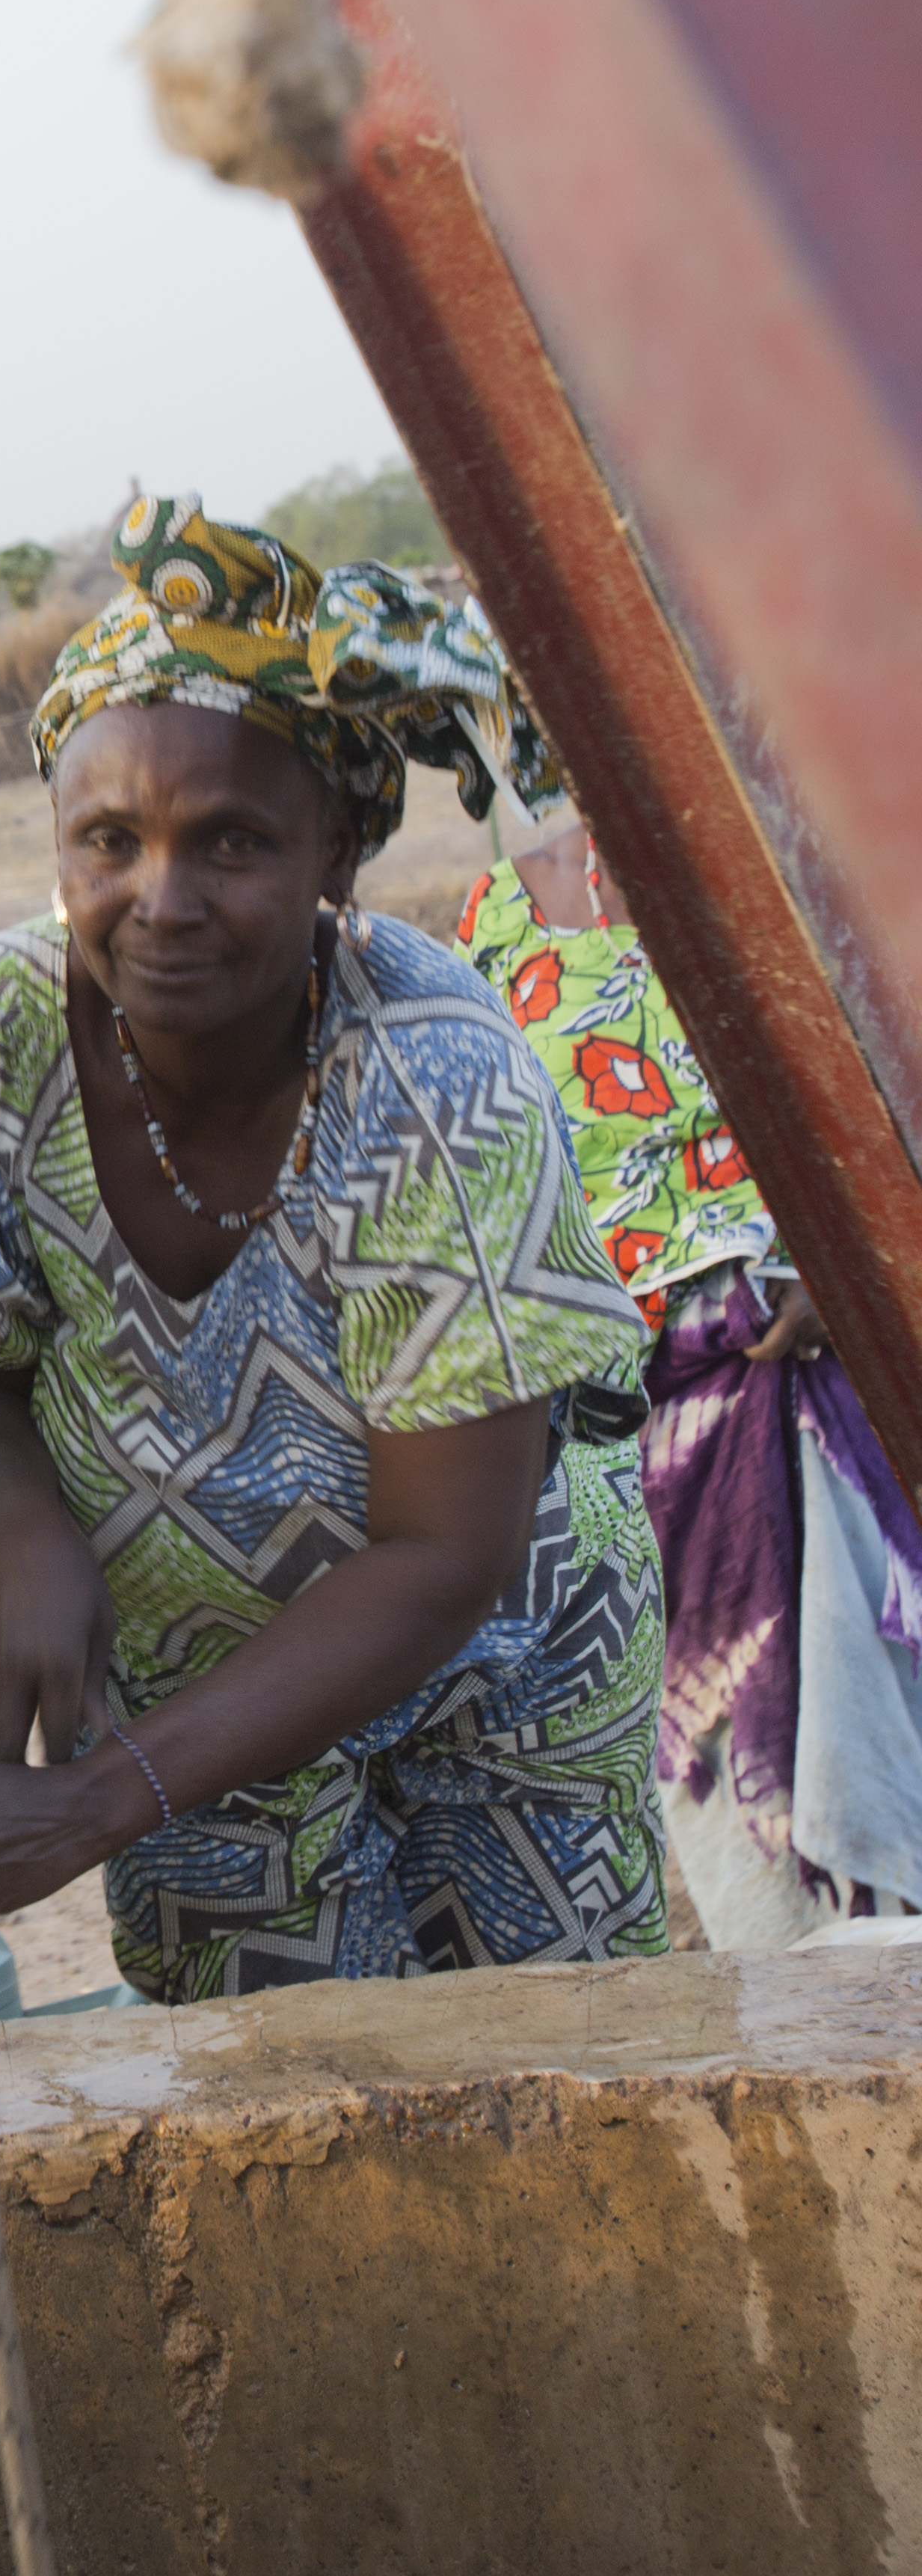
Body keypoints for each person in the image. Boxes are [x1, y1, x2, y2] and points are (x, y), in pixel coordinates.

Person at [0, 497, 668, 1999]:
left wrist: (102, 1798)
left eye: (229, 842)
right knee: (279, 2159)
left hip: (506, 1665)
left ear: (338, 854)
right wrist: (20, 1528)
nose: (159, 899)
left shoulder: (434, 1077)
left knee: (560, 2103)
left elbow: (447, 1553)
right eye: (109, 839)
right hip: (193, 1704)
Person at [461, 806, 922, 1943]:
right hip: (643, 1425)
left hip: (818, 1363)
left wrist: (839, 1254)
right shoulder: (494, 925)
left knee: (866, 1715)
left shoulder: (763, 843)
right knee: (720, 1758)